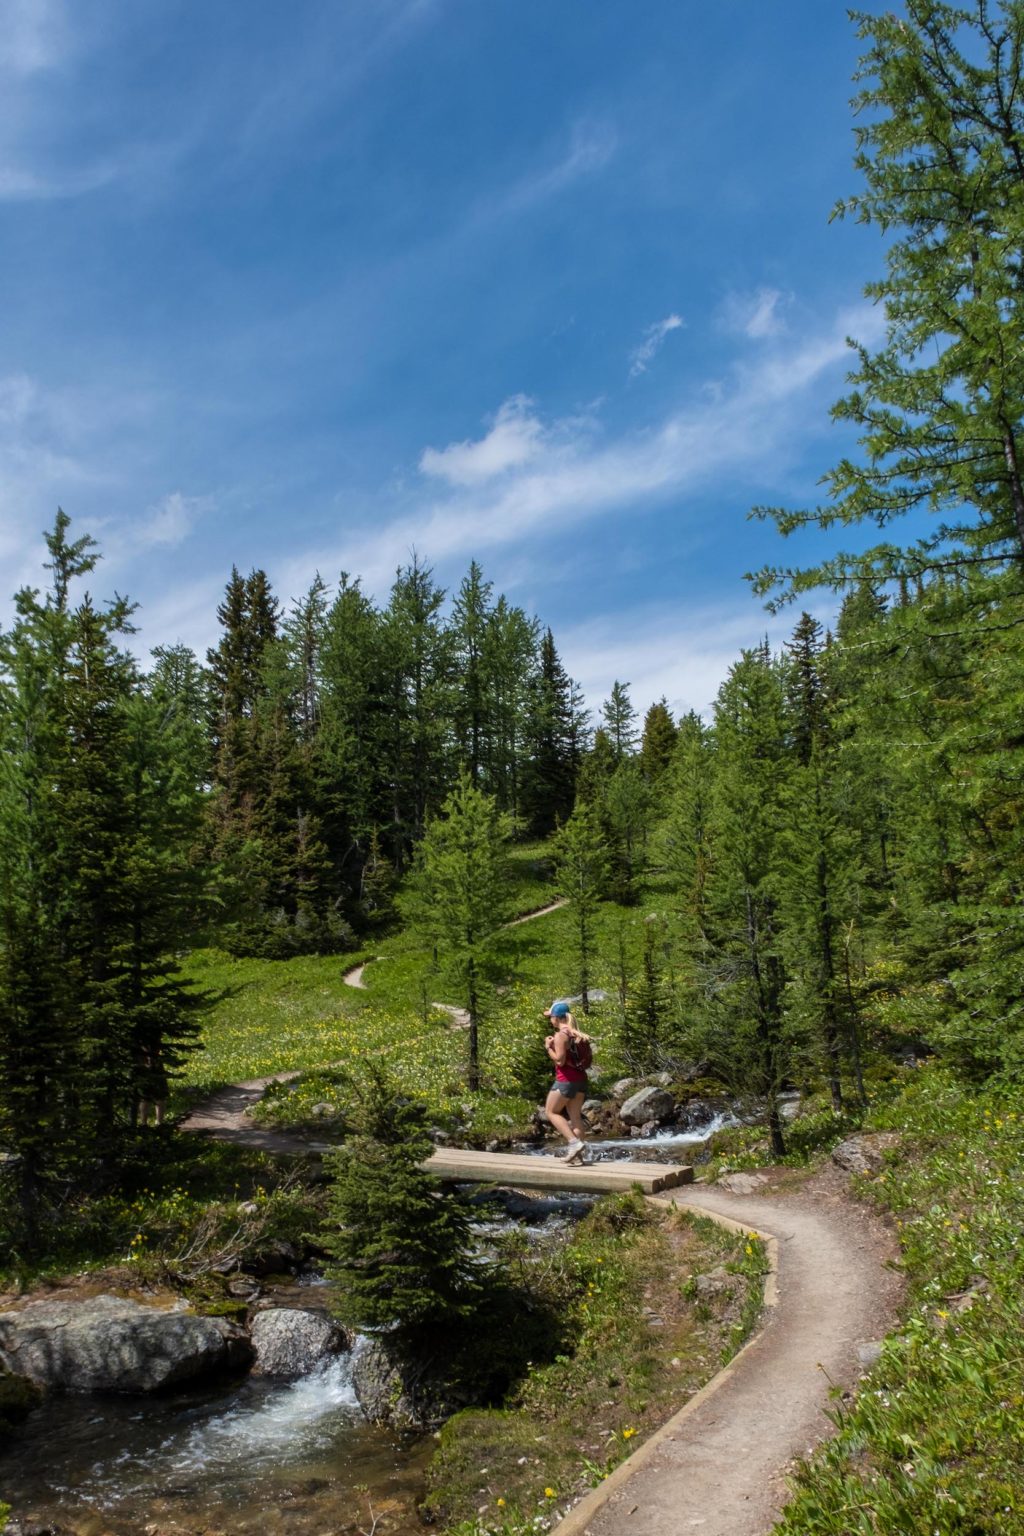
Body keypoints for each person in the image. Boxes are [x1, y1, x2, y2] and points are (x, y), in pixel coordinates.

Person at [543, 1000, 591, 1164]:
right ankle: (578, 1158)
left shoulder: (560, 1035)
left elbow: (559, 1061)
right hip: (581, 1079)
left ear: (557, 1018)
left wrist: (548, 1047)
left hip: (566, 1080)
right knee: (575, 1118)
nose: (550, 1020)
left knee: (551, 1112)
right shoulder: (578, 1034)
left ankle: (574, 1143)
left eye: (551, 1017)